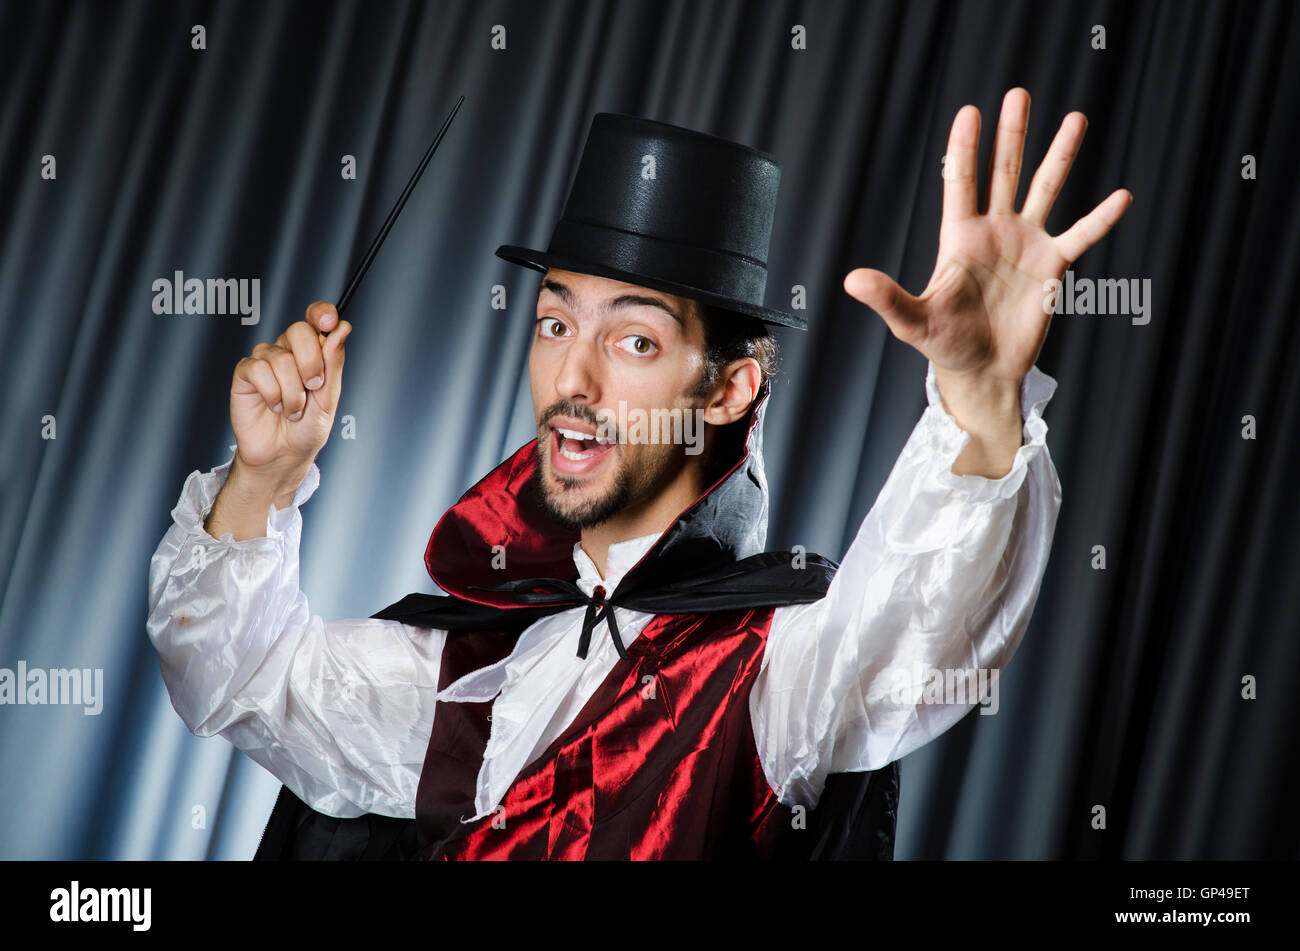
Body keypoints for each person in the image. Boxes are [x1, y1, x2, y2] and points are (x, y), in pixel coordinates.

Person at [147, 89, 1129, 860]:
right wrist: (262, 478)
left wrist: (978, 405)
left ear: (729, 389)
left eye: (634, 339)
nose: (571, 378)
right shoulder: (467, 664)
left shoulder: (773, 673)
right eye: (556, 322)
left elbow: (918, 635)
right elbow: (240, 676)